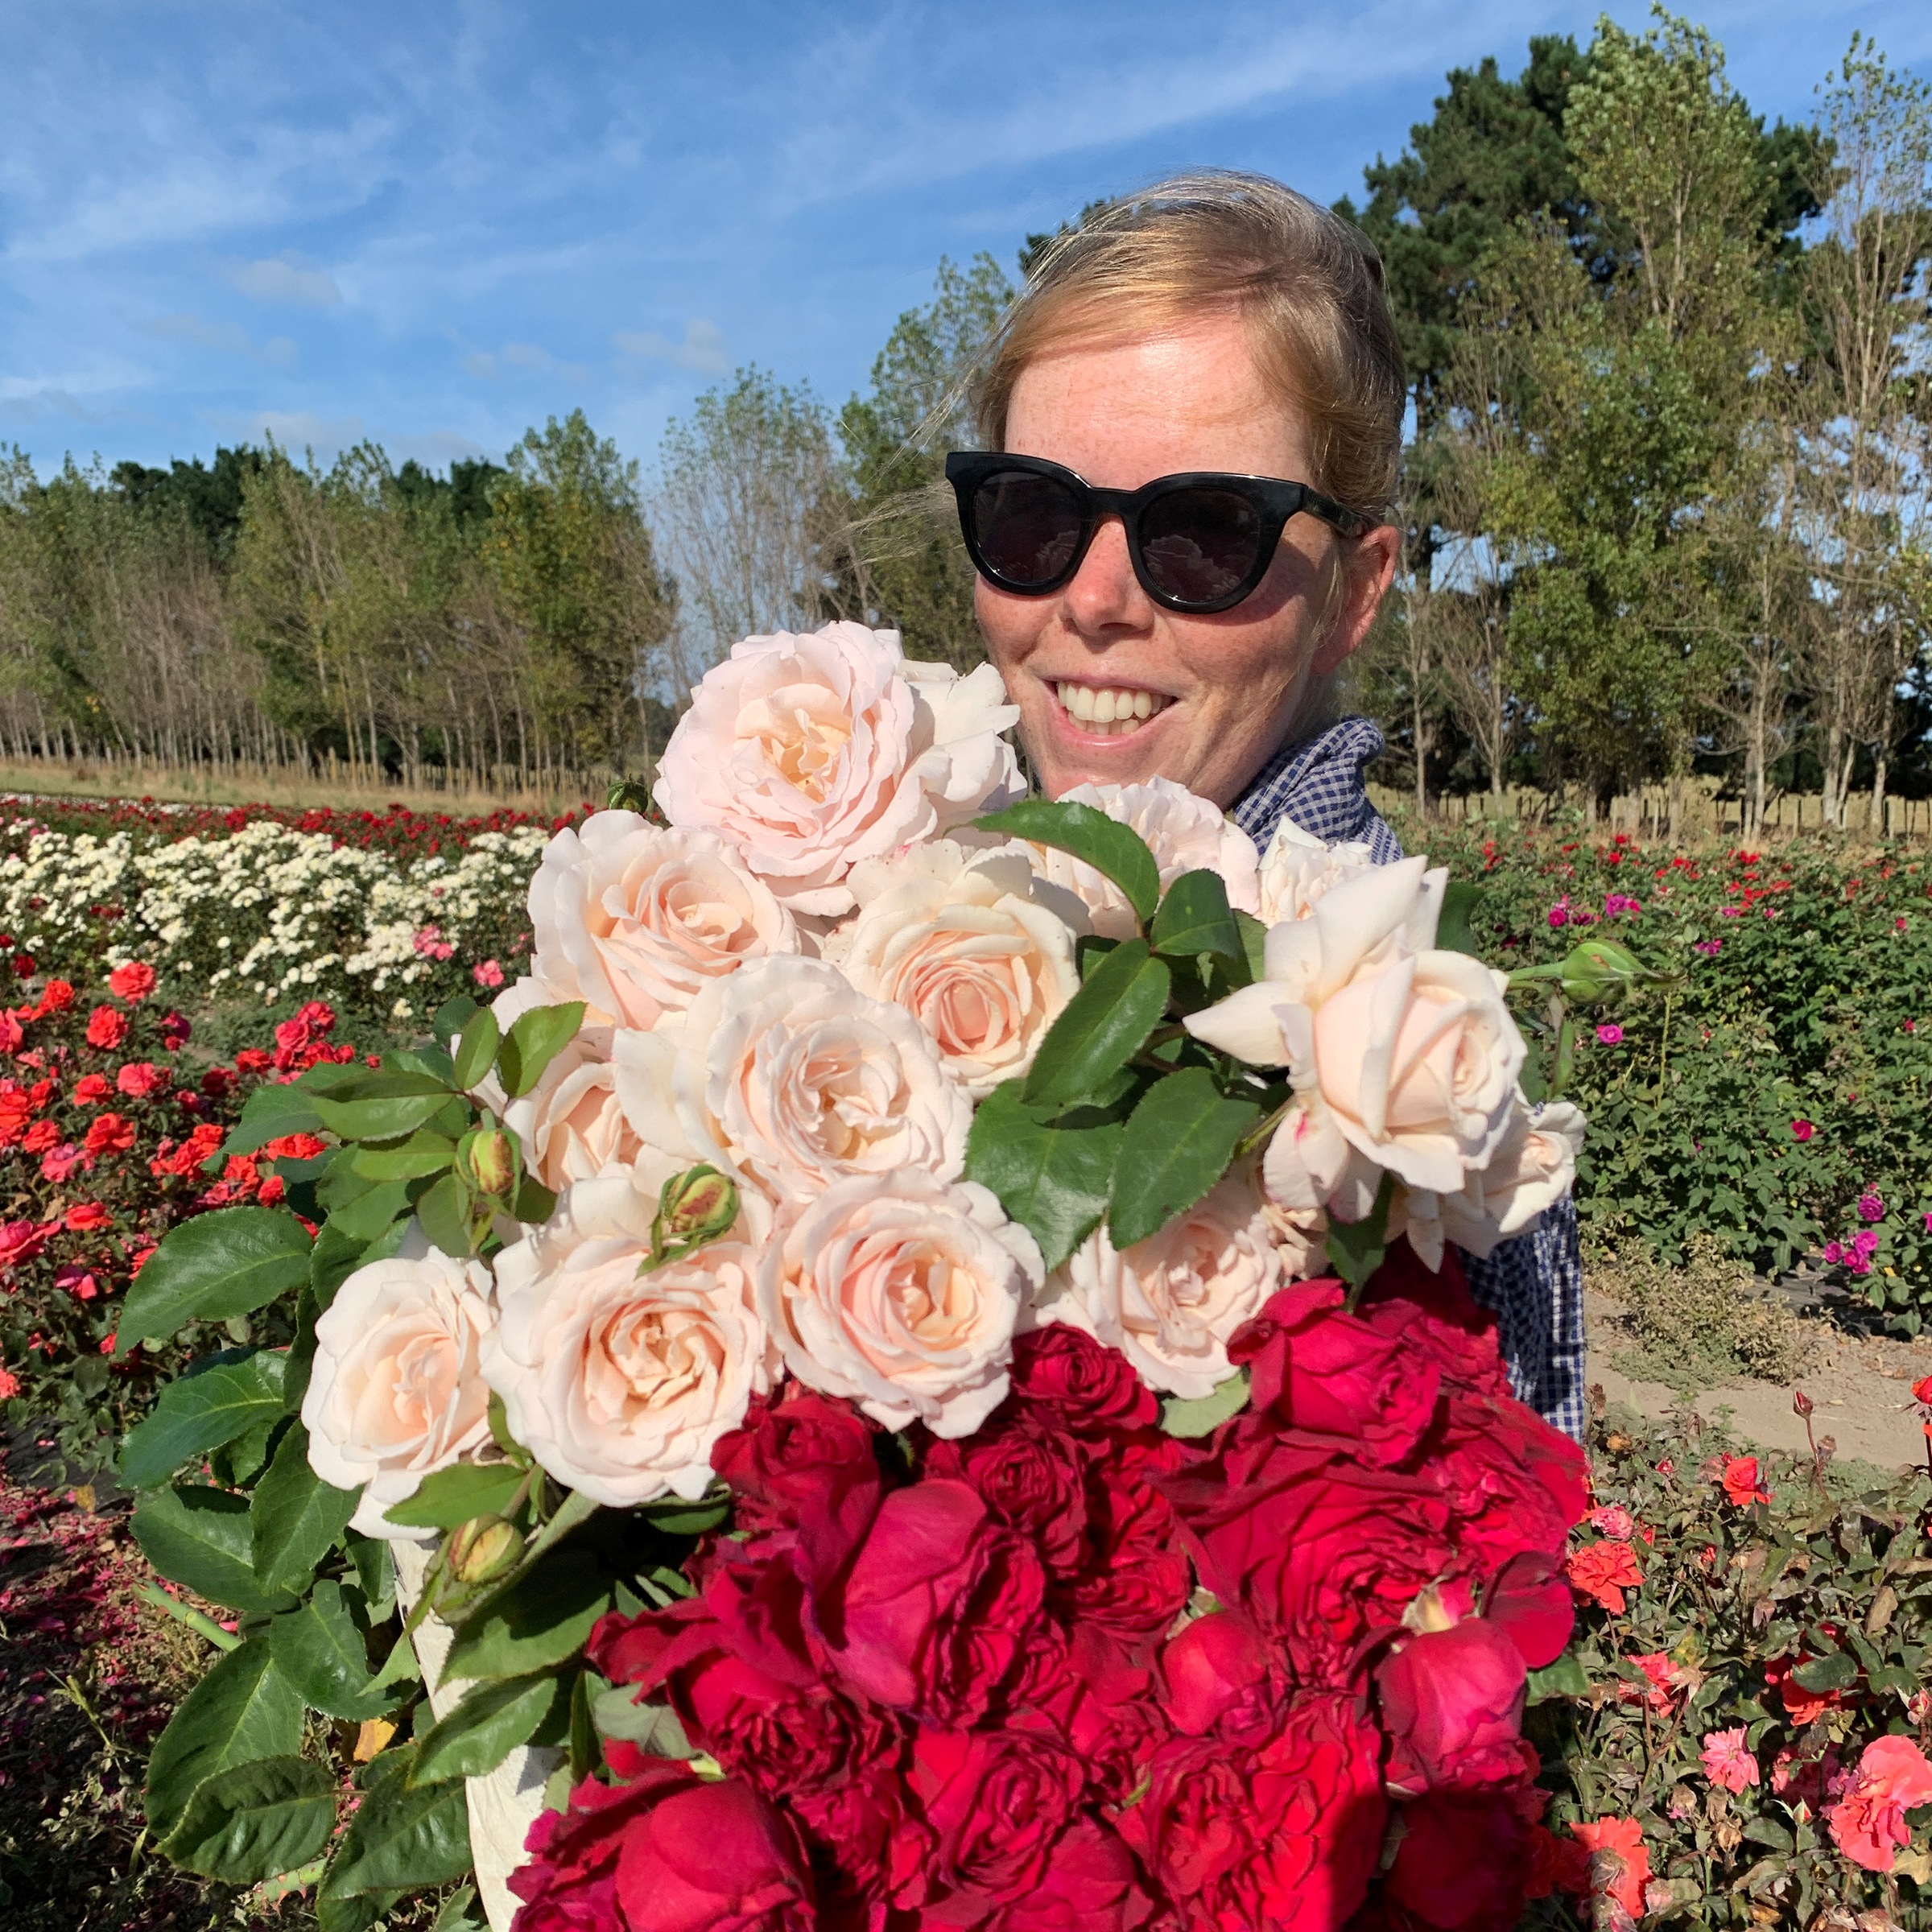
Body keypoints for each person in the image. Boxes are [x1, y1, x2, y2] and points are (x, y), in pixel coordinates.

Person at [944, 169, 1585, 1438]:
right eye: (1033, 516)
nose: (1093, 602)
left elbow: (1507, 1553)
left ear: (1355, 591)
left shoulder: (1412, 1088)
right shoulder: (913, 900)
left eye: (1203, 531)